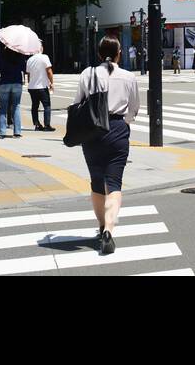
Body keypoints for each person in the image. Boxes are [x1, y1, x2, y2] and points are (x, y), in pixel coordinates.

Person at [75, 35, 140, 256]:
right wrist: (124, 123)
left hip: (92, 131)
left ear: (99, 53)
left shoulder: (87, 74)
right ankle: (109, 231)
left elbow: (77, 103)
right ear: (119, 52)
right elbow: (134, 108)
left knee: (96, 180)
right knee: (114, 183)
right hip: (117, 128)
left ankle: (102, 225)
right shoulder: (128, 76)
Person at [0, 45, 27, 138]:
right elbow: (24, 68)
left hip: (5, 82)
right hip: (17, 82)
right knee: (16, 106)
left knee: (3, 108)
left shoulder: (2, 55)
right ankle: (17, 132)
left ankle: (2, 132)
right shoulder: (20, 55)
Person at [26, 48, 55, 131]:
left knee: (35, 106)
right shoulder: (44, 57)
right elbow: (49, 71)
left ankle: (37, 125)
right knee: (47, 106)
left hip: (32, 87)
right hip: (42, 86)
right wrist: (51, 83)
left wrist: (30, 83)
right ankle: (47, 125)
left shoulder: (29, 60)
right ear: (41, 48)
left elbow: (28, 74)